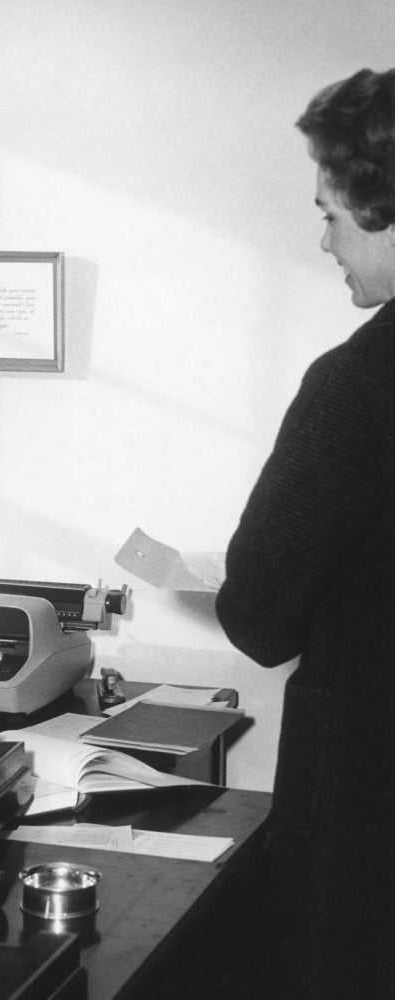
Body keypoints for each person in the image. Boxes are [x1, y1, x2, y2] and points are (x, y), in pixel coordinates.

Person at [215, 68, 393, 999]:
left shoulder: (358, 385)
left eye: (331, 214)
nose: (324, 241)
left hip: (372, 799)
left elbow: (258, 617)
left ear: (386, 207)